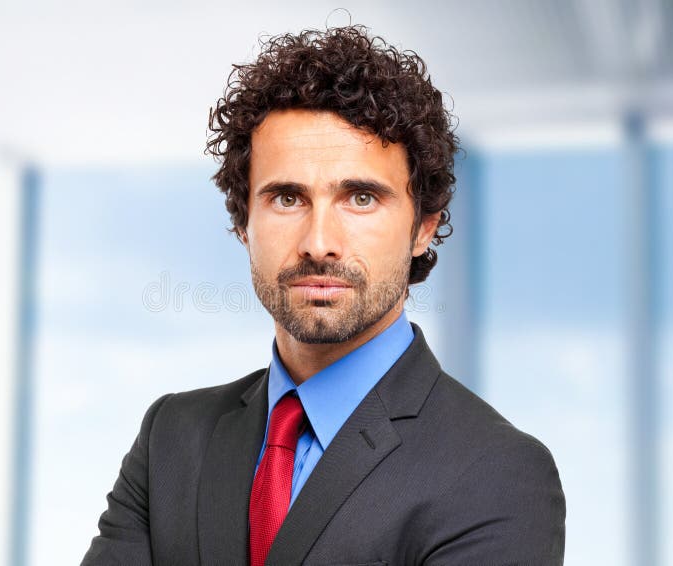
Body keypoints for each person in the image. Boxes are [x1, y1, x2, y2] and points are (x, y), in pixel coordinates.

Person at [82, 25, 565, 565]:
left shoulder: (497, 472)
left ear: (424, 228)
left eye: (360, 197)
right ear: (244, 222)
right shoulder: (172, 438)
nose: (319, 243)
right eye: (287, 198)